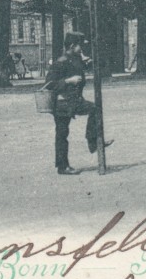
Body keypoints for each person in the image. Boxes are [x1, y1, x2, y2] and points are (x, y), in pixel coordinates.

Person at [45, 32, 105, 175]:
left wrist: (87, 60)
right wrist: (67, 81)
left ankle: (92, 141)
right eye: (80, 46)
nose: (82, 49)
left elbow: (96, 67)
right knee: (62, 134)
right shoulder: (61, 62)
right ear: (72, 46)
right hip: (63, 103)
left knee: (95, 109)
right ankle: (62, 166)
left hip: (75, 101)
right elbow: (49, 84)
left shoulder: (76, 59)